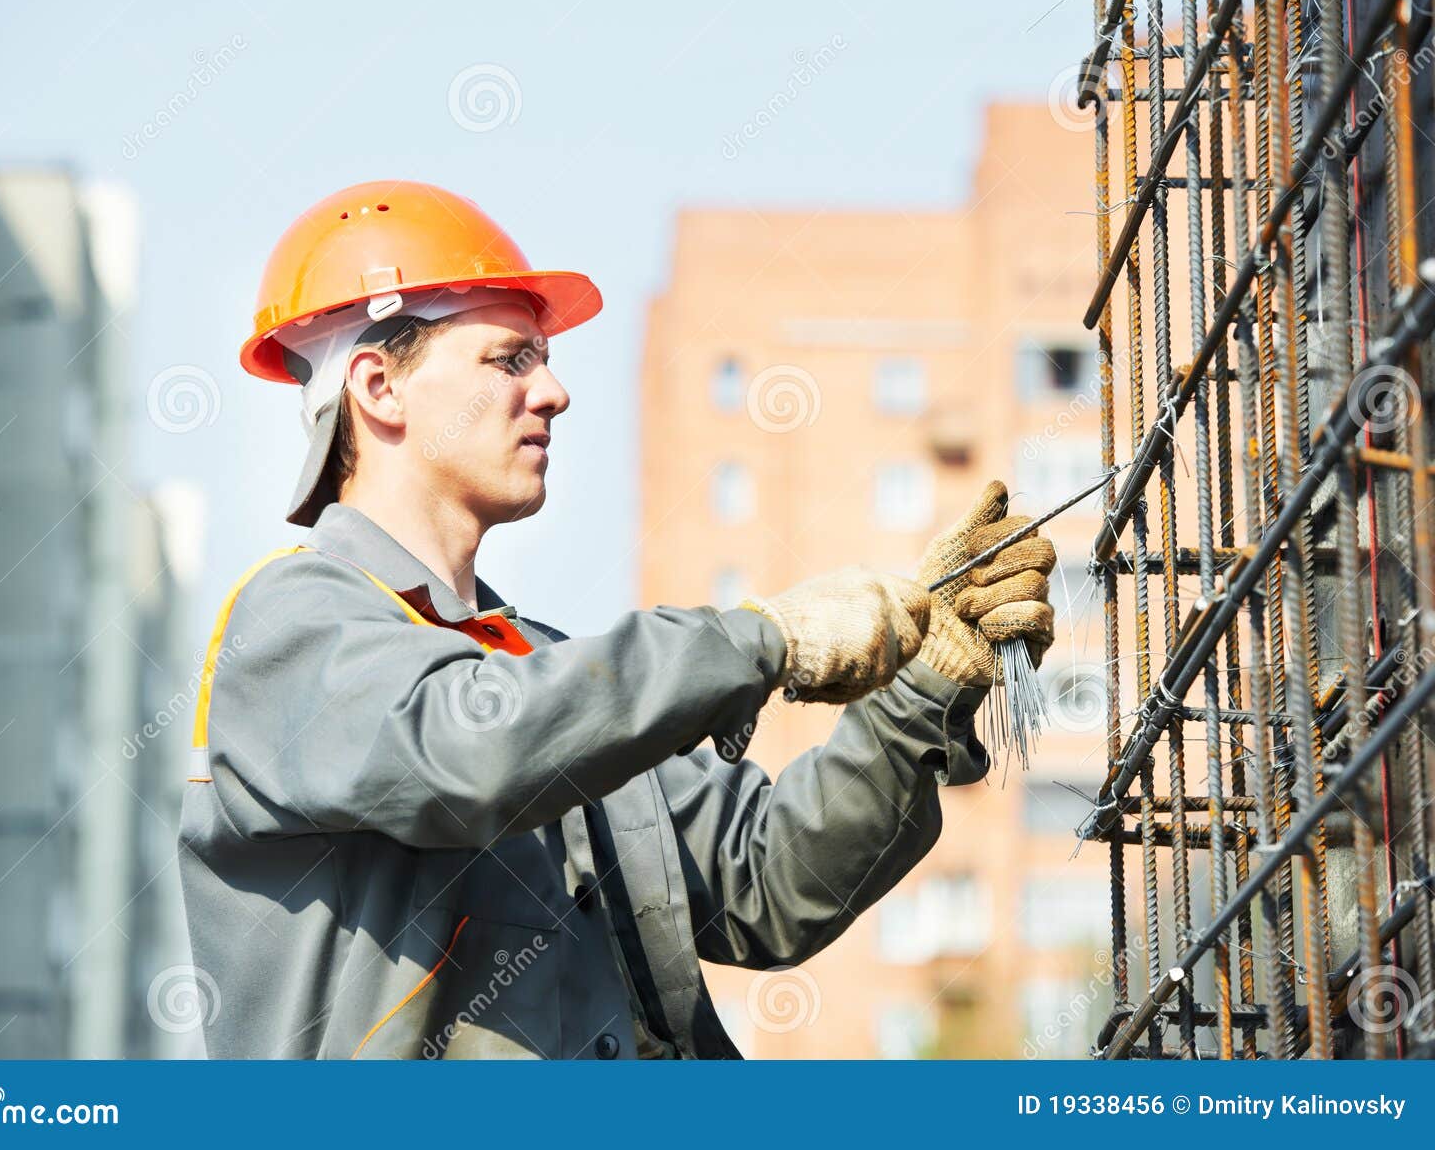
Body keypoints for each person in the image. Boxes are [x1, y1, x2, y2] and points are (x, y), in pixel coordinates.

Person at [177, 181, 1055, 1059]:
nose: (554, 391)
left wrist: (922, 689)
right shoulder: (291, 626)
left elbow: (769, 883)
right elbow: (474, 748)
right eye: (510, 359)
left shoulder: (539, 673)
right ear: (380, 386)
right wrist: (764, 638)